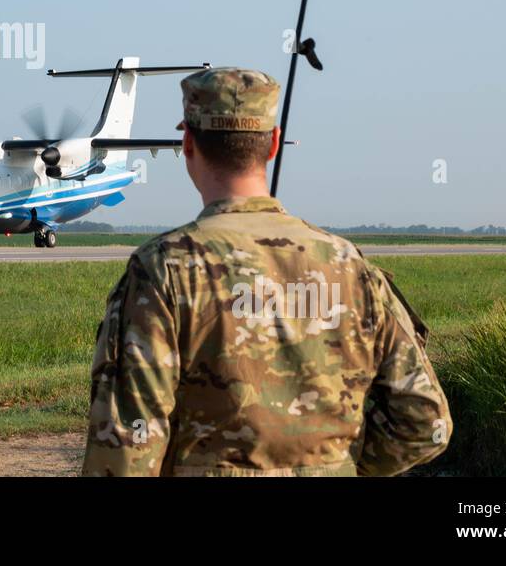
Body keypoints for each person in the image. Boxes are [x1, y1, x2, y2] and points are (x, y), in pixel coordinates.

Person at [82, 68, 450, 477]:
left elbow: (124, 453)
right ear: (273, 144)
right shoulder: (351, 267)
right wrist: (339, 467)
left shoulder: (163, 271)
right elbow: (425, 423)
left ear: (188, 143)